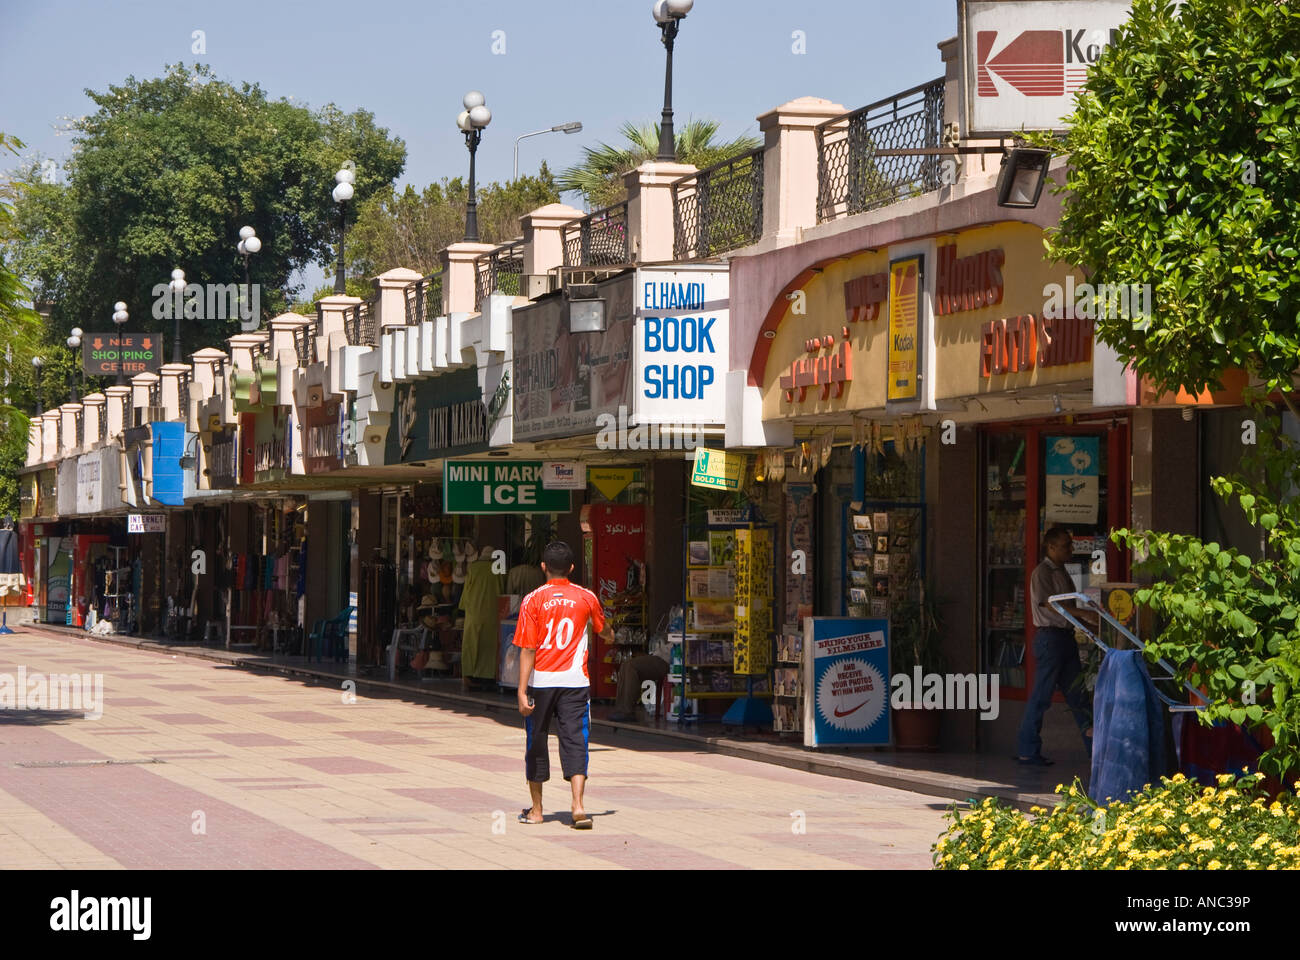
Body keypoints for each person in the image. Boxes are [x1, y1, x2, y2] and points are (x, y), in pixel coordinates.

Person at [514, 541, 612, 829]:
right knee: (575, 740)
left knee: (537, 741)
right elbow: (603, 629)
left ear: (543, 567)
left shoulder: (533, 600)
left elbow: (527, 649)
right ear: (571, 568)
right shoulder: (586, 597)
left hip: (540, 683)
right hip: (575, 682)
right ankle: (578, 806)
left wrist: (521, 691)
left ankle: (537, 810)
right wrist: (611, 634)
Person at [1016, 526, 1098, 766]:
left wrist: (1087, 625)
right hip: (1050, 638)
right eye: (1065, 545)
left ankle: (1095, 751)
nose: (1070, 550)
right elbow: (1051, 605)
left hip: (1065, 637)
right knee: (1041, 696)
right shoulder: (1042, 572)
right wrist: (1084, 614)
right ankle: (1027, 749)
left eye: (1070, 545)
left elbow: (1066, 608)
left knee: (1079, 697)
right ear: (1050, 547)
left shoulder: (1063, 571)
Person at [609, 637, 672, 722]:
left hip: (666, 660)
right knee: (625, 665)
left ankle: (627, 710)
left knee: (631, 667)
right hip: (659, 656)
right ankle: (621, 709)